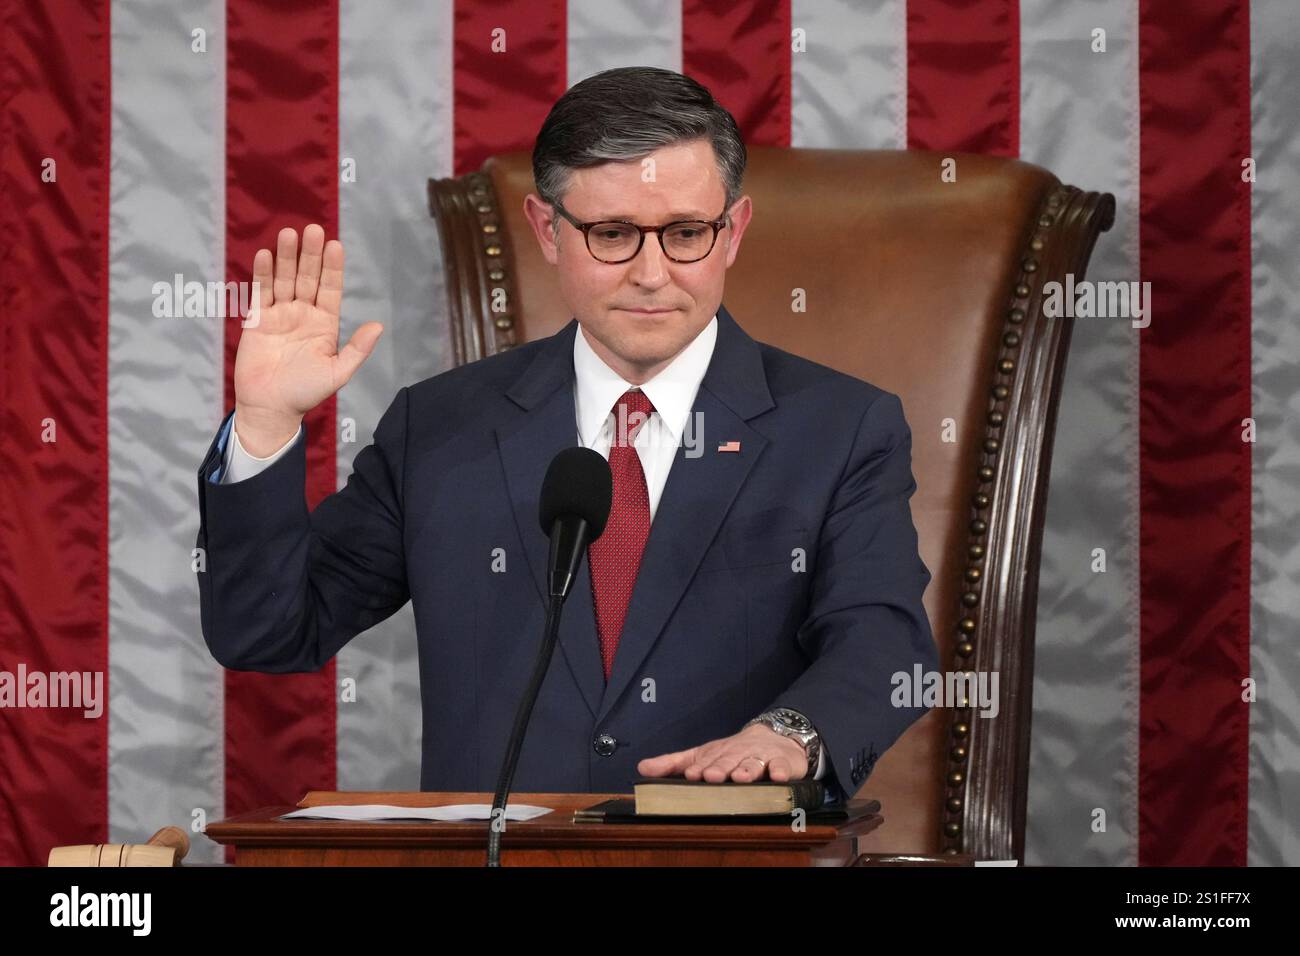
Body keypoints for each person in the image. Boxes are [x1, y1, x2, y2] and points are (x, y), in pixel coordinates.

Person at [196, 66, 938, 804]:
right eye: (612, 234)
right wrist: (265, 423)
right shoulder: (441, 426)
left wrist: (790, 734)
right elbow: (268, 632)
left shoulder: (840, 428)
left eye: (685, 234)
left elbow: (883, 641)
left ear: (732, 232)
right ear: (547, 231)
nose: (653, 274)